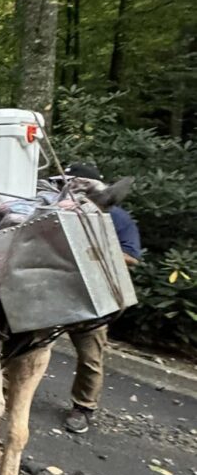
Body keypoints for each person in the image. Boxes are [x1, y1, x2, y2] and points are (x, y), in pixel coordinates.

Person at [63, 162, 142, 434]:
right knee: (29, 346)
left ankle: (83, 407)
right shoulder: (57, 209)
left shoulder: (118, 218)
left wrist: (94, 244)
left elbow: (132, 257)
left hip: (93, 297)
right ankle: (7, 389)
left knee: (90, 357)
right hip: (56, 291)